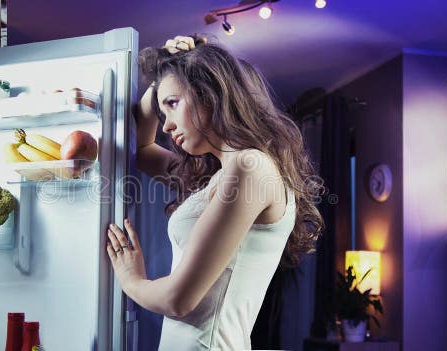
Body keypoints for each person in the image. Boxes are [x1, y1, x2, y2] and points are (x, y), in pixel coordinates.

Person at [106, 34, 323, 350]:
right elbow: (140, 148)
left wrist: (131, 280)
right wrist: (163, 75)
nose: (165, 126)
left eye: (173, 104)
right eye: (163, 112)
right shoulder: (218, 178)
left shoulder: (251, 167)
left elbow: (179, 300)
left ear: (210, 93)